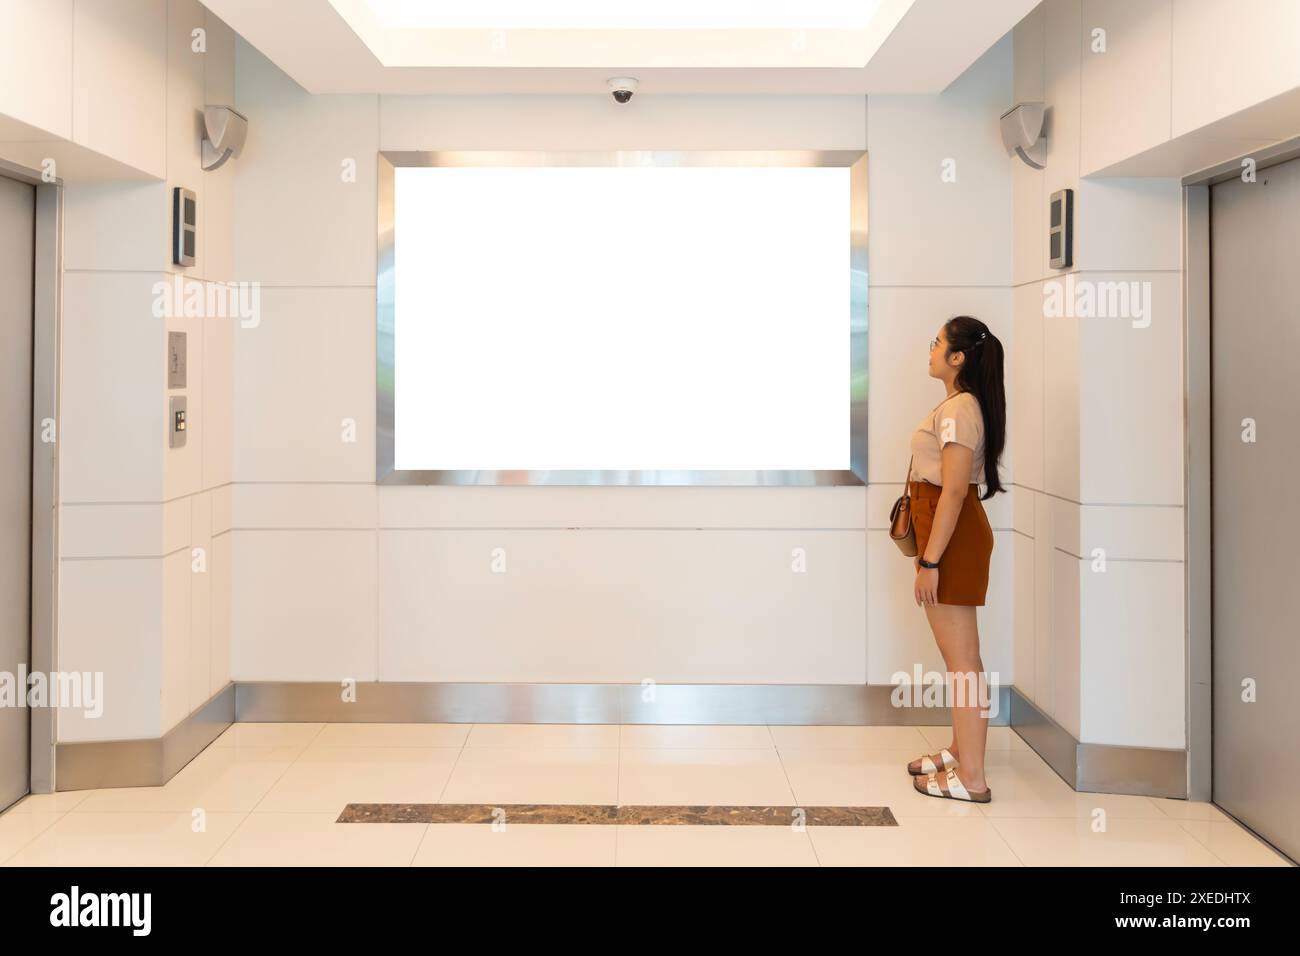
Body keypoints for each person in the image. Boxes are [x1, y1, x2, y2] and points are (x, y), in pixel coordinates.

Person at [904, 315, 1006, 803]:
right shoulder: (958, 404)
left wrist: (930, 562)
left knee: (964, 662)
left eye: (937, 343)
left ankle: (973, 778)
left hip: (951, 537)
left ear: (958, 357)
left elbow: (954, 493)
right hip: (946, 533)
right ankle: (959, 751)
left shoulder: (960, 409)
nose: (931, 349)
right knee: (959, 658)